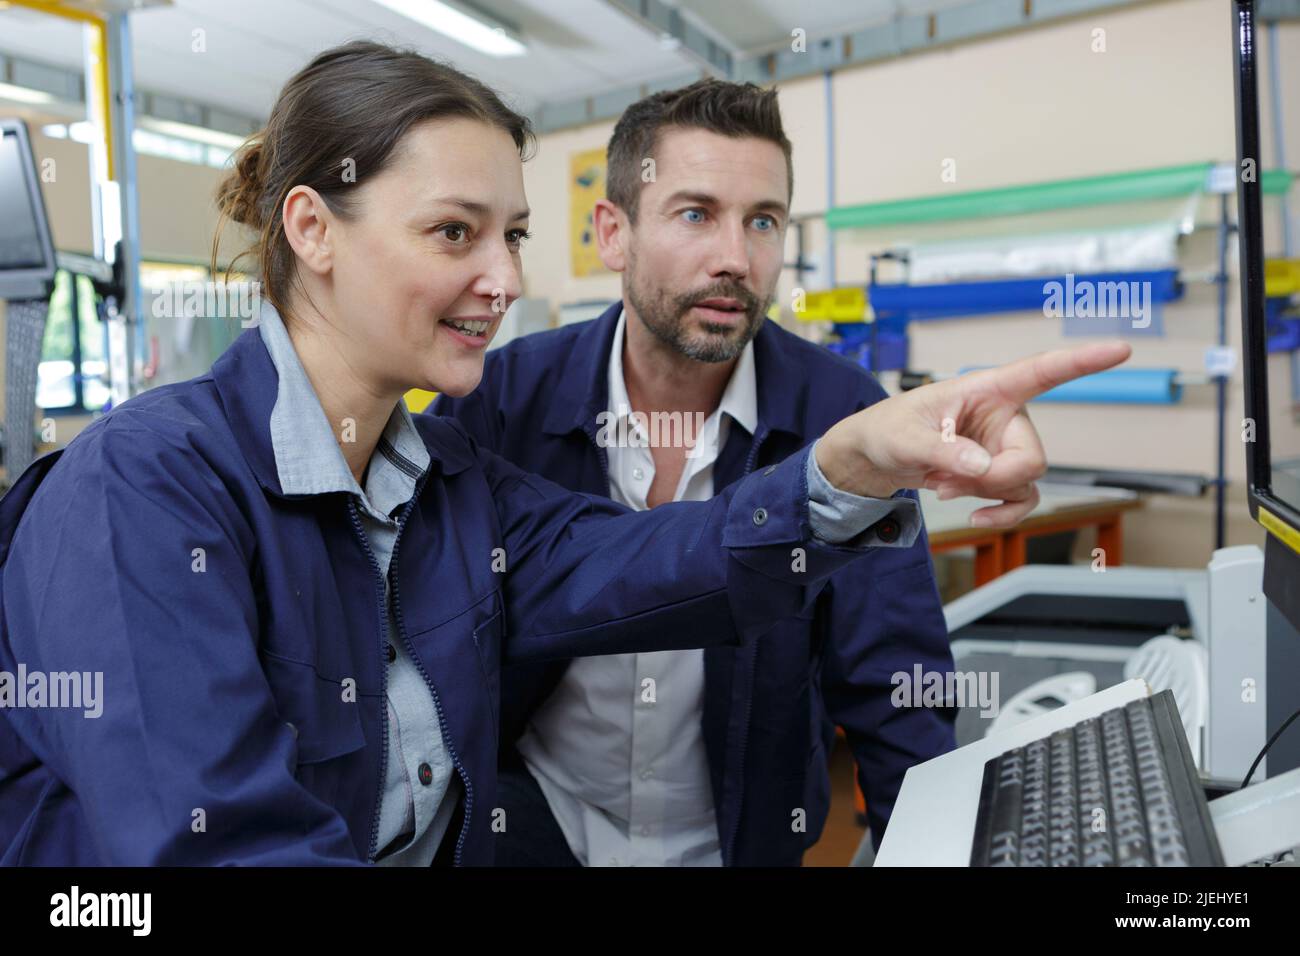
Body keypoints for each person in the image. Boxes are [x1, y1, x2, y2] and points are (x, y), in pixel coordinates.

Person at [0, 42, 1127, 867]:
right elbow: (215, 848)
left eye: (512, 235)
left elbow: (662, 560)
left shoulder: (449, 486)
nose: (502, 280)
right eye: (455, 232)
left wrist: (853, 460)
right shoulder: (146, 486)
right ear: (311, 229)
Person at [433, 79, 952, 865]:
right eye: (696, 214)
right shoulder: (499, 401)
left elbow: (895, 682)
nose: (736, 260)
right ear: (613, 232)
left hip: (743, 839)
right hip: (537, 828)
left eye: (764, 222)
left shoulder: (842, 412)